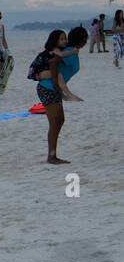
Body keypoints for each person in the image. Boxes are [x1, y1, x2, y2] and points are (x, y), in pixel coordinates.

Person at [34, 28, 87, 165]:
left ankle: (53, 155)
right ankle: (51, 157)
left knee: (60, 121)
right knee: (55, 123)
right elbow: (52, 63)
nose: (87, 41)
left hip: (53, 89)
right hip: (47, 88)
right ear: (82, 40)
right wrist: (57, 86)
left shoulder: (71, 50)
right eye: (86, 39)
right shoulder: (68, 52)